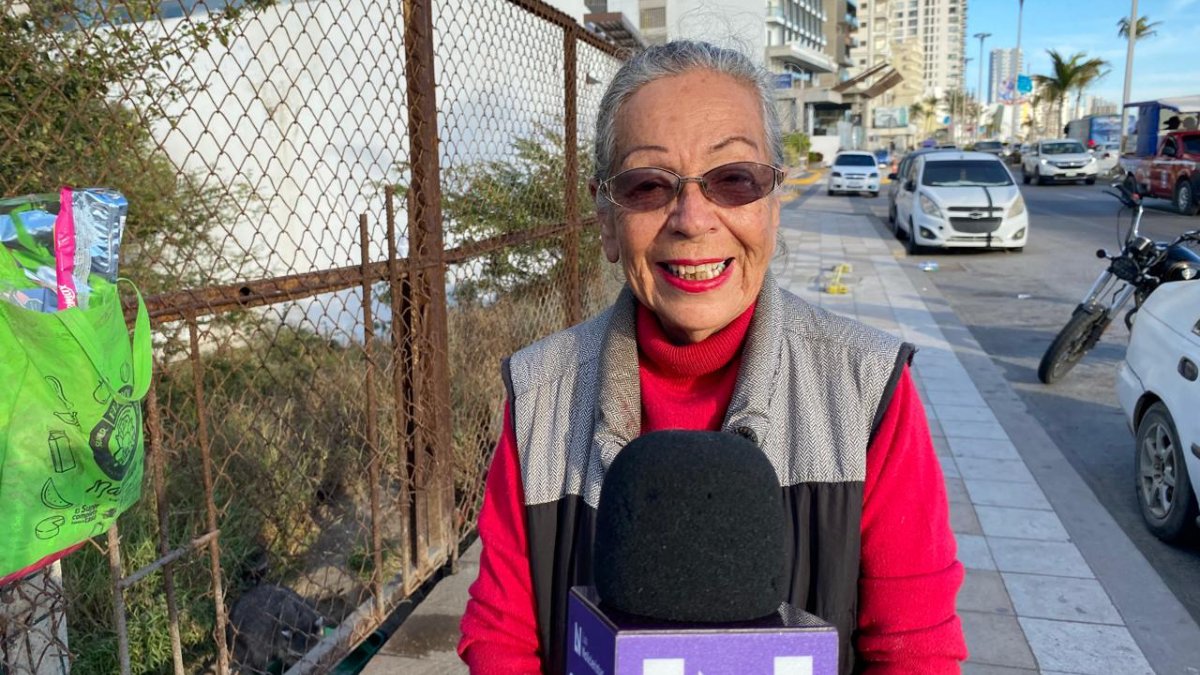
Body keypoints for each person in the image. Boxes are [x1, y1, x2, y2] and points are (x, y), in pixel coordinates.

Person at [458, 40, 967, 674]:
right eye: (648, 186)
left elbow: (915, 647)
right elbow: (501, 638)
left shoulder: (866, 389)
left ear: (772, 204)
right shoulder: (539, 394)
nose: (693, 219)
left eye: (733, 180)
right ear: (608, 222)